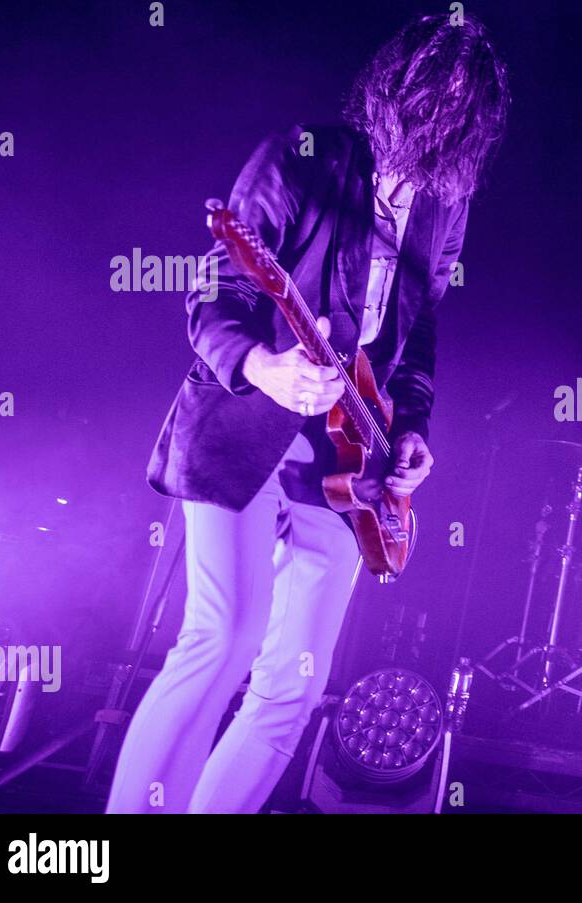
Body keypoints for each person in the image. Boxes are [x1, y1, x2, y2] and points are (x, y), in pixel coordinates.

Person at [108, 14, 510, 814]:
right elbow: (214, 298)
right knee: (223, 636)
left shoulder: (447, 206)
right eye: (437, 96)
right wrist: (266, 366)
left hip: (350, 457)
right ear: (396, 89)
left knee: (294, 681)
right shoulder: (302, 158)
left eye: (464, 109)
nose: (445, 118)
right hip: (241, 425)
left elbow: (420, 327)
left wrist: (412, 429)